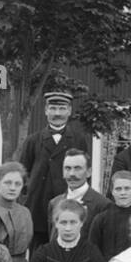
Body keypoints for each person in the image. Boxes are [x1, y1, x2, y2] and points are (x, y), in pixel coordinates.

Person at [19, 89, 93, 251]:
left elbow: (85, 175)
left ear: (69, 111)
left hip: (68, 208)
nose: (57, 113)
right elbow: (22, 177)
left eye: (62, 109)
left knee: (68, 252)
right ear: (46, 111)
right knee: (39, 255)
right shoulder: (33, 140)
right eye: (52, 109)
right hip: (38, 209)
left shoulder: (79, 140)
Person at [46, 147, 112, 240]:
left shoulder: (103, 205)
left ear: (89, 172)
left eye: (77, 168)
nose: (72, 174)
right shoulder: (54, 203)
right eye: (67, 168)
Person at [87, 170, 131, 260]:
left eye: (127, 188)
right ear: (112, 191)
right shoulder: (101, 219)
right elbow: (93, 250)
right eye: (118, 189)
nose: (123, 193)